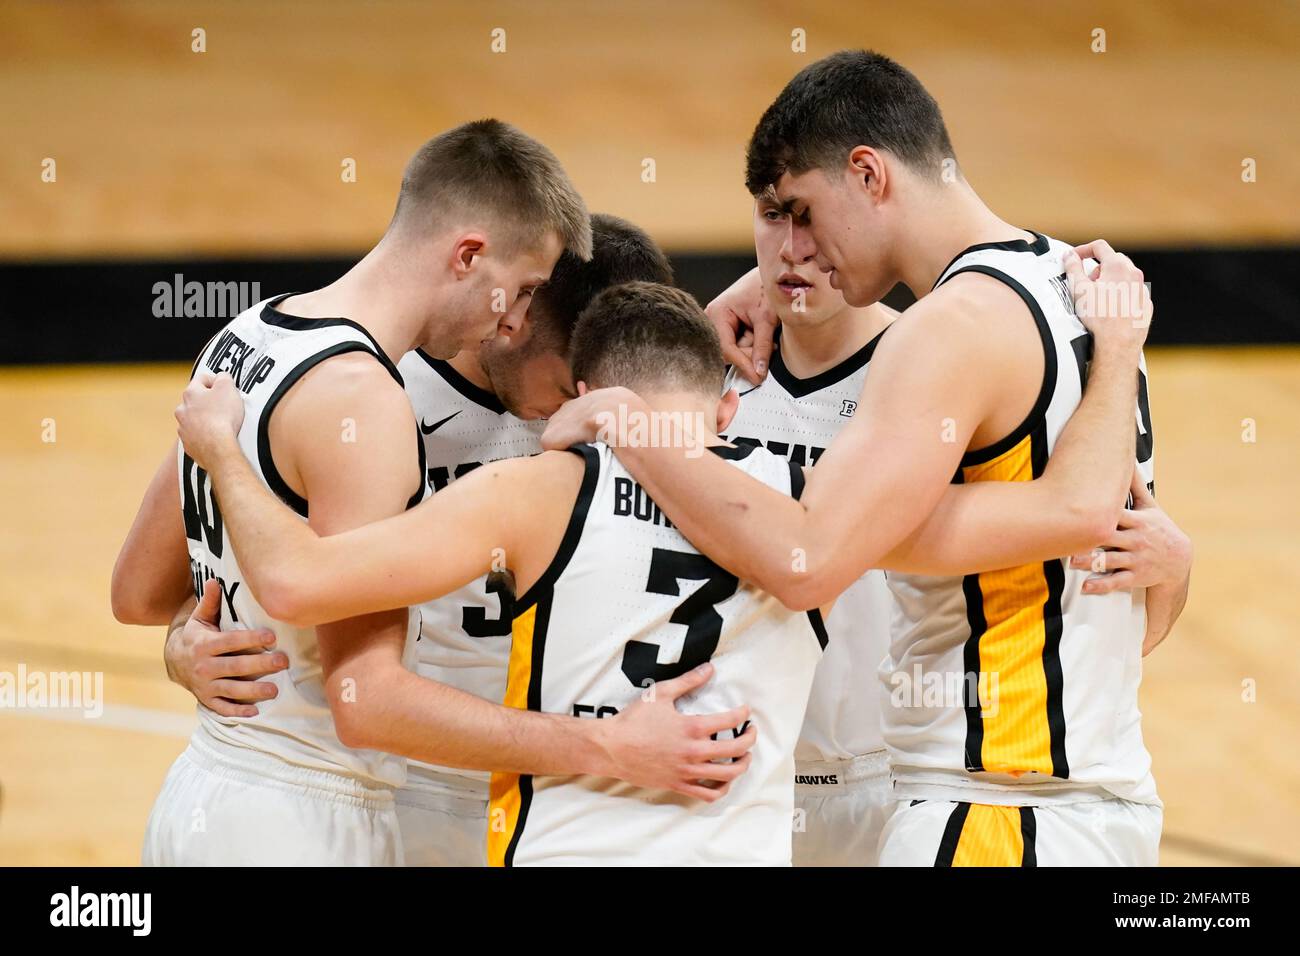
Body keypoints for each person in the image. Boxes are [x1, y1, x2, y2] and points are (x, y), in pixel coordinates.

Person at [541, 50, 1188, 865]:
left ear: (869, 173)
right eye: (774, 220)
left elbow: (808, 557)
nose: (796, 245)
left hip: (992, 811)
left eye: (804, 210)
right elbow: (1092, 550)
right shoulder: (1090, 293)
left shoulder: (948, 328)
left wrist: (636, 428)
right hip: (1098, 798)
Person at [114, 122, 747, 866]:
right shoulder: (370, 397)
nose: (511, 317)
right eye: (525, 292)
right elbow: (361, 696)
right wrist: (609, 746)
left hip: (228, 794)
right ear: (471, 257)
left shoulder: (246, 337)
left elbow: (144, 588)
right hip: (325, 806)